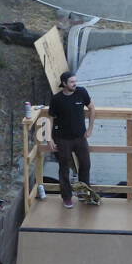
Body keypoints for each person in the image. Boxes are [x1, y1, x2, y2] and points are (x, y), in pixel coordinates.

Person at [48, 71, 95, 209]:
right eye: (72, 82)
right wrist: (48, 139)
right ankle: (67, 197)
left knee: (85, 164)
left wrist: (90, 128)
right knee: (64, 169)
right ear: (64, 83)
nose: (75, 84)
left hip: (80, 137)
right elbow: (50, 118)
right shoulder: (56, 99)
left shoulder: (81, 92)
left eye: (75, 81)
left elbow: (92, 108)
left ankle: (84, 194)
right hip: (62, 139)